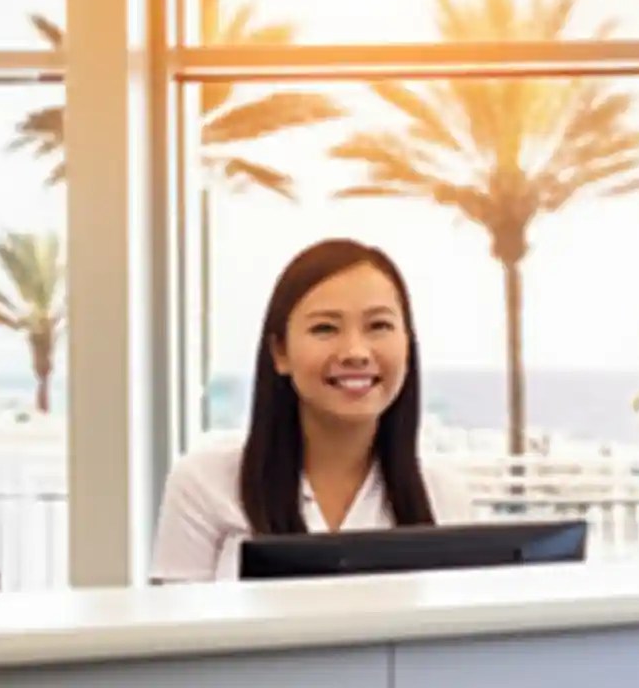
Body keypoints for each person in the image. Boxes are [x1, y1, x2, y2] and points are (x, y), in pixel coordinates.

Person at [150, 238, 474, 583]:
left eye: (378, 326)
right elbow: (178, 632)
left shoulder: (443, 494)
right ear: (280, 352)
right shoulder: (204, 483)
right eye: (325, 328)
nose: (356, 352)